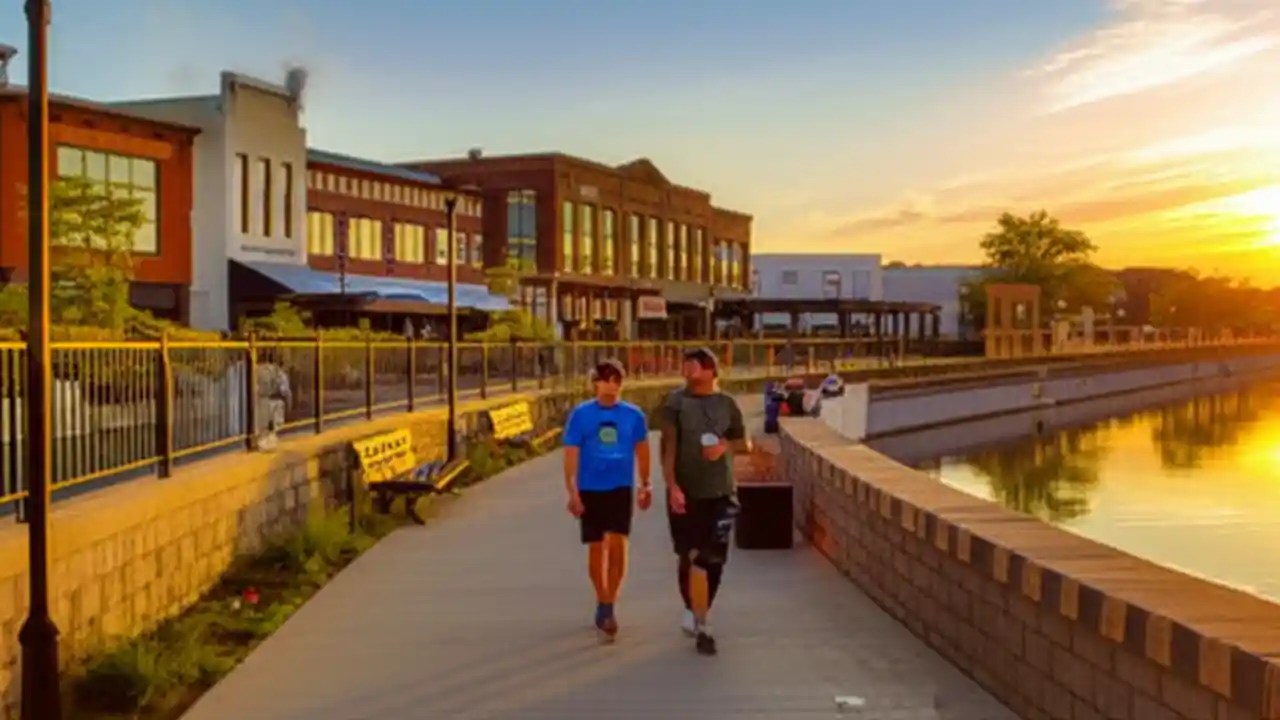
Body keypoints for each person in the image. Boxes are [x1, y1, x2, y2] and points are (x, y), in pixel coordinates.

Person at [660, 347, 750, 655]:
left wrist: (724, 446)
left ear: (712, 370)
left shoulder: (727, 404)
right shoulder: (676, 402)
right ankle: (702, 622)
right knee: (692, 555)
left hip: (722, 492)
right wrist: (671, 486)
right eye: (685, 362)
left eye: (696, 363)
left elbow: (745, 442)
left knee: (715, 560)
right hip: (687, 491)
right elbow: (668, 447)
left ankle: (699, 610)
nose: (688, 368)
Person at [563, 358, 652, 640]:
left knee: (617, 544)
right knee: (597, 547)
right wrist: (572, 491)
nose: (611, 387)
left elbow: (642, 450)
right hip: (591, 487)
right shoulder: (581, 415)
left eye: (616, 381)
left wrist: (645, 484)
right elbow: (571, 454)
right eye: (605, 380)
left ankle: (609, 603)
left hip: (619, 487)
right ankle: (601, 599)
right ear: (595, 384)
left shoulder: (633, 415)